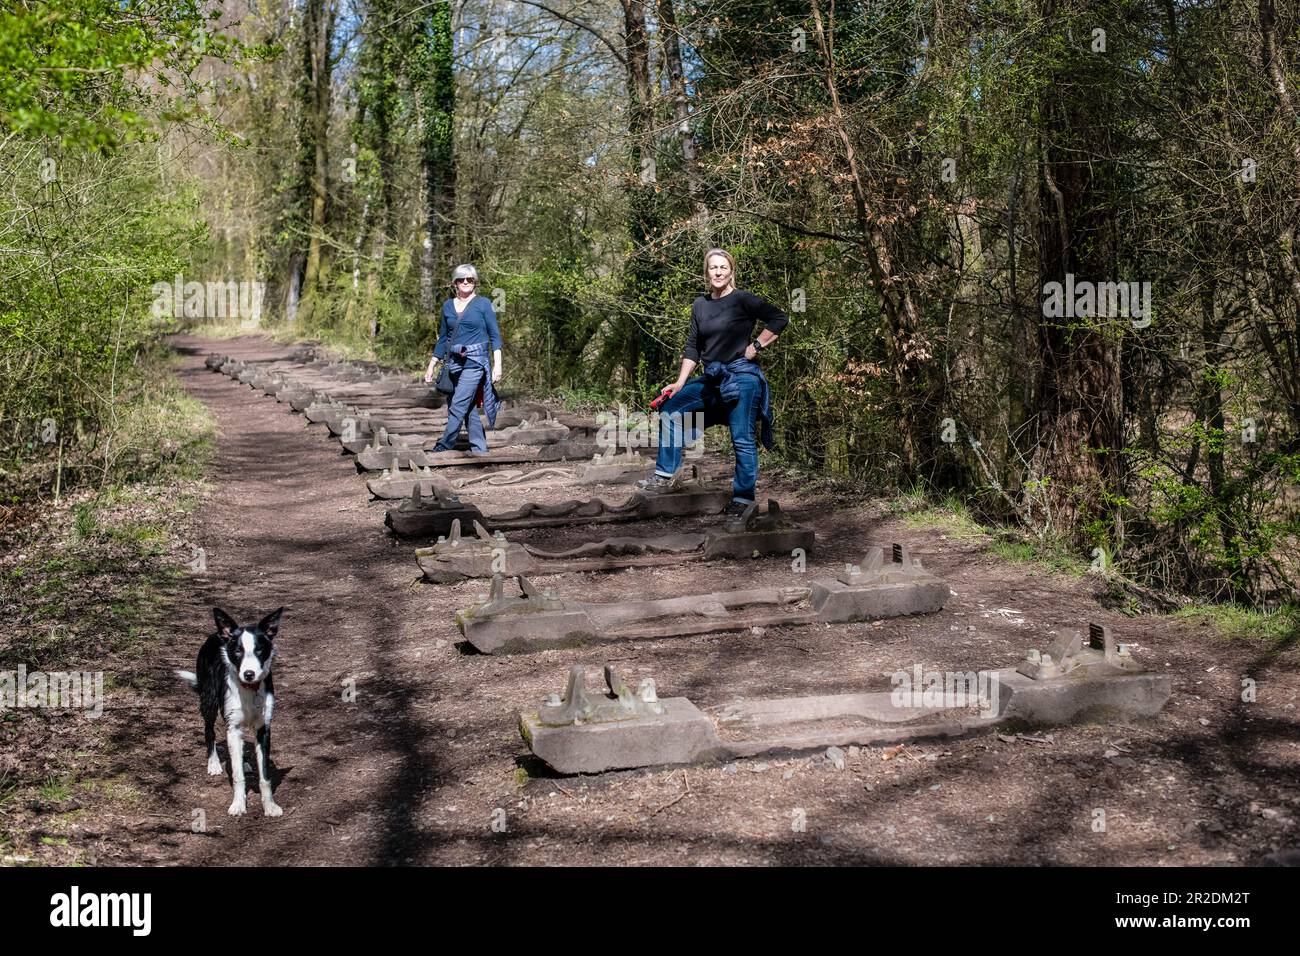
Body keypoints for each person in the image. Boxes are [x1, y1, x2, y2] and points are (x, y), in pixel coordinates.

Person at [639, 248, 789, 516]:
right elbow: (693, 347)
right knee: (672, 409)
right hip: (712, 379)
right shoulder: (700, 305)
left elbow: (780, 318)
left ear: (731, 271)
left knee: (741, 438)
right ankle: (666, 476)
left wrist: (756, 346)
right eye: (713, 268)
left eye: (723, 267)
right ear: (706, 272)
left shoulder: (743, 300)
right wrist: (679, 383)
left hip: (742, 378)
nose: (718, 272)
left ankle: (743, 499)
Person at [424, 264, 503, 452]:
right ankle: (479, 447)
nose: (465, 282)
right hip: (453, 363)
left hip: (475, 362)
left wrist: (497, 365)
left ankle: (443, 445)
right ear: (455, 283)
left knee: (458, 404)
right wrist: (432, 364)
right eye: (461, 279)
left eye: (469, 279)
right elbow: (444, 338)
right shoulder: (447, 306)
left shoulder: (483, 304)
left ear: (475, 282)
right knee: (465, 407)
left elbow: (495, 336)